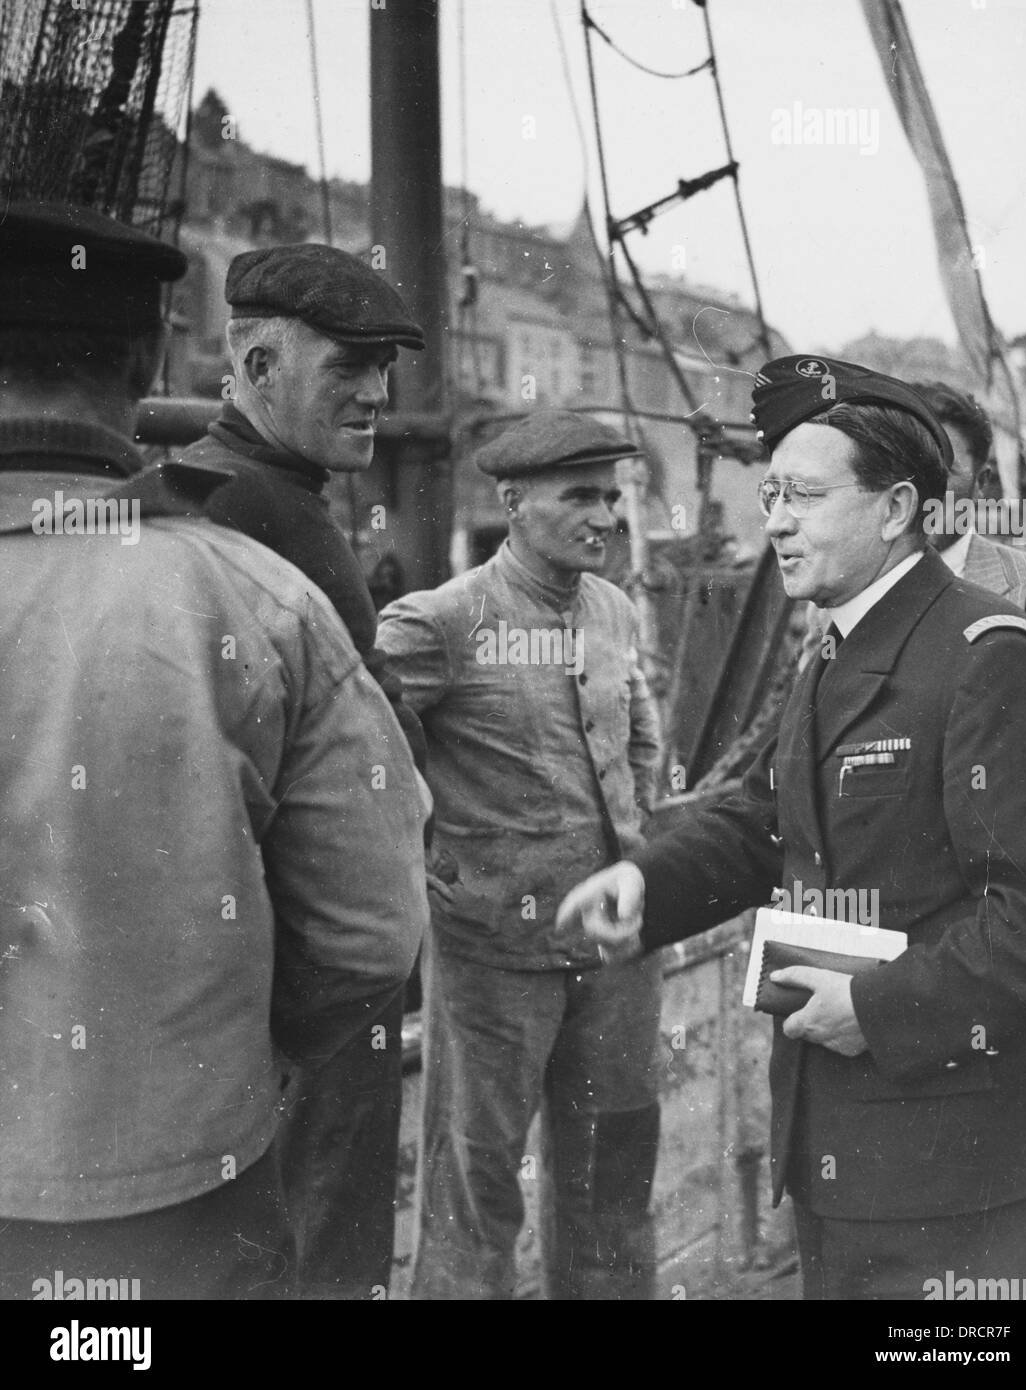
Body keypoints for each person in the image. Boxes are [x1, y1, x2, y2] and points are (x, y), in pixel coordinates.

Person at [559, 356, 1026, 1300]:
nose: (775, 520)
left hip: (959, 1169)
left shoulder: (983, 657)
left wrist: (876, 1008)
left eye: (803, 495)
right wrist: (648, 883)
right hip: (843, 1146)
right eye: (769, 492)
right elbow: (766, 819)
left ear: (895, 508)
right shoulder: (835, 645)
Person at [0, 202, 428, 1300]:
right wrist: (238, 1051)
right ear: (155, 360)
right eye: (356, 366)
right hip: (180, 1172)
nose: (378, 396)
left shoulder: (251, 520)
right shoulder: (244, 571)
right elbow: (371, 931)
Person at [179, 243, 428, 1298]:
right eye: (348, 367)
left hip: (261, 979)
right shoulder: (260, 510)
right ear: (263, 366)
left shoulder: (243, 490)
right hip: (305, 984)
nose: (375, 391)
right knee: (324, 1244)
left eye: (385, 365)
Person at [378, 410, 664, 1300]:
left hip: (615, 955)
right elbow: (355, 748)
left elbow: (642, 741)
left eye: (611, 497)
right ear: (512, 502)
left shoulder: (612, 609)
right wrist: (435, 857)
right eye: (581, 496)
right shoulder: (440, 622)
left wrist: (637, 845)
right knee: (476, 1193)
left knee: (610, 1186)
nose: (606, 516)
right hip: (493, 963)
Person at [912, 379, 1026, 655]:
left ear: (980, 483)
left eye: (943, 471)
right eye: (906, 467)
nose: (921, 488)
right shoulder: (844, 590)